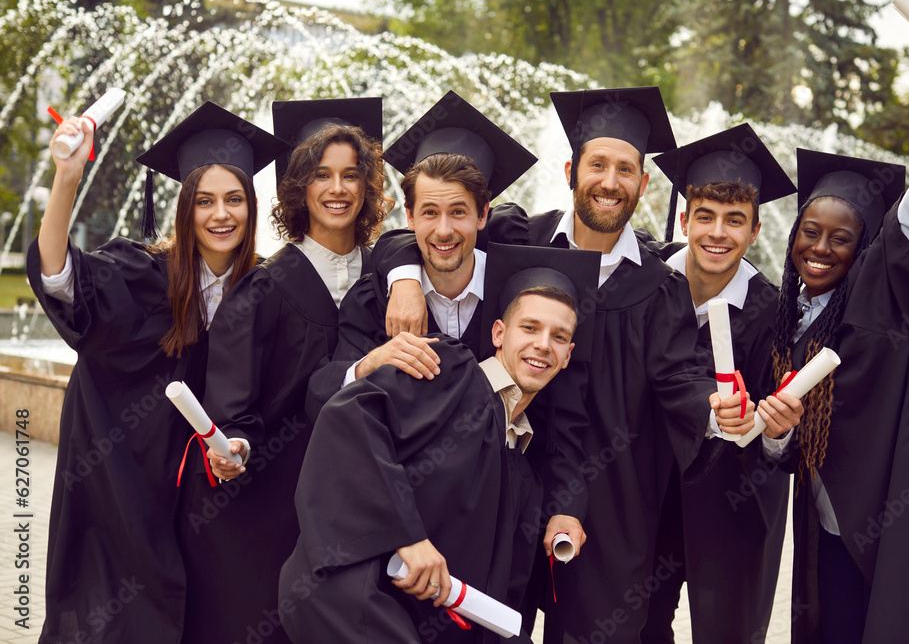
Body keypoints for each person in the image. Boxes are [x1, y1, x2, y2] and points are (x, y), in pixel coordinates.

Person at [380, 86, 760, 641]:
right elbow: (426, 229)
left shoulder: (660, 285)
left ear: (643, 184)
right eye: (598, 165)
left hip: (606, 506)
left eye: (626, 169)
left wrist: (716, 408)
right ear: (570, 171)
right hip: (499, 485)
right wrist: (404, 278)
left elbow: (682, 375)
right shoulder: (518, 237)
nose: (610, 181)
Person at [27, 101, 287, 643]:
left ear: (252, 207)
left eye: (235, 200)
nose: (221, 215)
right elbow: (59, 279)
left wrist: (241, 445)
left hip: (216, 511)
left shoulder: (267, 290)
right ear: (184, 209)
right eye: (205, 201)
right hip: (127, 499)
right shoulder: (141, 275)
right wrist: (66, 180)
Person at [765, 47, 909, 644]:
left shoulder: (881, 299)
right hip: (822, 524)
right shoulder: (789, 320)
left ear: (865, 250)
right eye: (809, 233)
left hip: (884, 517)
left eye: (842, 238)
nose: (820, 248)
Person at [278, 244, 600, 643]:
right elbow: (349, 420)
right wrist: (407, 536)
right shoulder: (447, 371)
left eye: (559, 336)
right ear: (499, 333)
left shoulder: (520, 462)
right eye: (530, 328)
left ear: (568, 356)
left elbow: (495, 590)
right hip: (353, 594)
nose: (542, 345)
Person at [176, 98, 392, 644]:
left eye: (351, 175)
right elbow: (232, 406)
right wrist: (238, 445)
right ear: (298, 188)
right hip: (265, 510)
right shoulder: (264, 288)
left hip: (362, 512)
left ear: (369, 186)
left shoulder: (389, 274)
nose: (337, 189)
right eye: (321, 175)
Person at [639, 123, 803, 643]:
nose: (717, 233)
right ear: (684, 219)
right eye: (705, 217)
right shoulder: (641, 280)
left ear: (755, 231)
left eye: (735, 222)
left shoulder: (773, 312)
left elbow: (783, 436)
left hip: (731, 503)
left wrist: (777, 432)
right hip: (642, 498)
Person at [304, 90, 536, 407]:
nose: (443, 231)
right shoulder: (372, 301)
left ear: (483, 214)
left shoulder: (518, 295)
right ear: (409, 217)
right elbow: (320, 401)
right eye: (429, 212)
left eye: (458, 211)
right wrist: (372, 362)